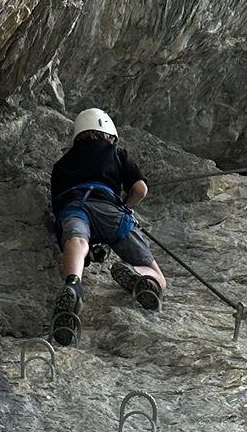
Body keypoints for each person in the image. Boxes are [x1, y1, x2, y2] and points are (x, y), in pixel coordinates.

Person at [49, 108, 168, 346]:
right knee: (159, 278)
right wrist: (125, 206)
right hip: (111, 211)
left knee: (77, 239)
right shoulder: (117, 153)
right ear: (110, 134)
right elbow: (140, 190)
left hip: (74, 206)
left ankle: (73, 283)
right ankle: (139, 274)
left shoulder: (61, 164)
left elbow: (57, 208)